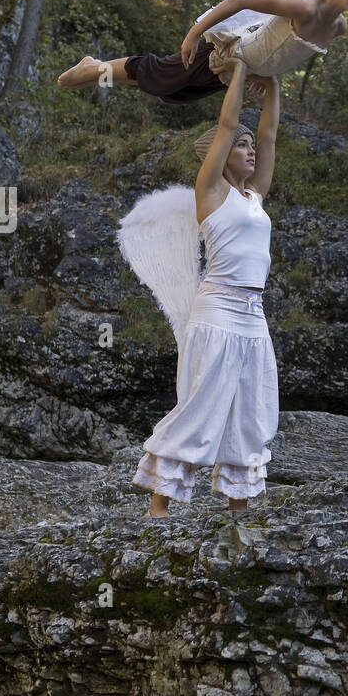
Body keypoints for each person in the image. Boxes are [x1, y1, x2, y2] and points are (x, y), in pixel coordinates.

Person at [122, 51, 281, 514]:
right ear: (222, 154)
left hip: (254, 315)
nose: (251, 150)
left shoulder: (255, 197)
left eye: (252, 147)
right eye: (242, 146)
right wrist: (241, 70)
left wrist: (271, 85)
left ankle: (239, 505)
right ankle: (159, 508)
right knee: (200, 406)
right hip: (216, 311)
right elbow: (228, 123)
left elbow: (269, 133)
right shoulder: (211, 192)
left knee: (251, 408)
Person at [58, 0, 348, 104]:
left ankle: (98, 73)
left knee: (172, 91)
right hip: (220, 52)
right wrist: (194, 34)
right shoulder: (305, 7)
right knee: (155, 75)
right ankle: (91, 69)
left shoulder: (338, 28)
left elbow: (285, 50)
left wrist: (264, 76)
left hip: (235, 71)